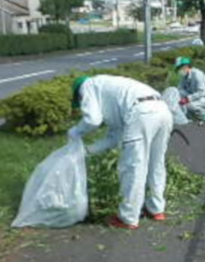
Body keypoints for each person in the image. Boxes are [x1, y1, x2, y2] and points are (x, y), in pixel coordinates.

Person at [68, 75, 174, 230]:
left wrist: (75, 132)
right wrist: (85, 151)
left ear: (79, 94)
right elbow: (113, 138)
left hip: (141, 112)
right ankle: (156, 209)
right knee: (156, 163)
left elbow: (92, 120)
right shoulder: (112, 92)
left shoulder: (87, 86)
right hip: (162, 110)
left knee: (133, 166)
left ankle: (128, 217)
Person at [175, 57, 205, 121]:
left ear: (186, 66)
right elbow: (179, 89)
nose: (179, 71)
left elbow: (201, 92)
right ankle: (192, 112)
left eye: (179, 68)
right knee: (179, 93)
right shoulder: (184, 76)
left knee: (189, 106)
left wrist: (187, 99)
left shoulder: (197, 74)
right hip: (196, 95)